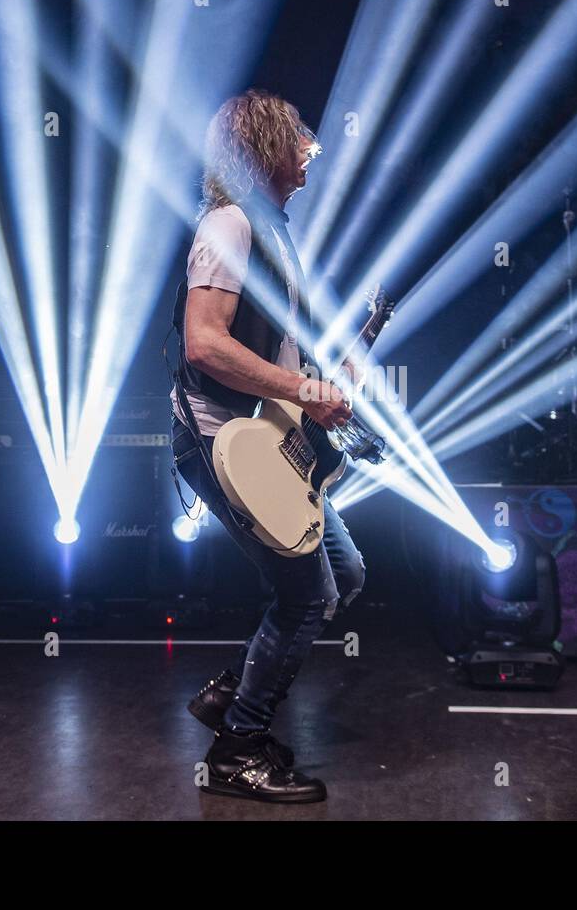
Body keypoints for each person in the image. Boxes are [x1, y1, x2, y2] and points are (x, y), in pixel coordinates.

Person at [169, 89, 365, 803]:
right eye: (297, 136)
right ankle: (238, 748)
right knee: (308, 592)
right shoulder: (228, 223)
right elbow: (204, 342)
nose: (310, 146)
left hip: (267, 444)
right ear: (262, 146)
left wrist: (322, 377)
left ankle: (233, 696)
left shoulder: (272, 226)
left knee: (343, 575)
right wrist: (307, 391)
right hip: (225, 443)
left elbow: (270, 350)